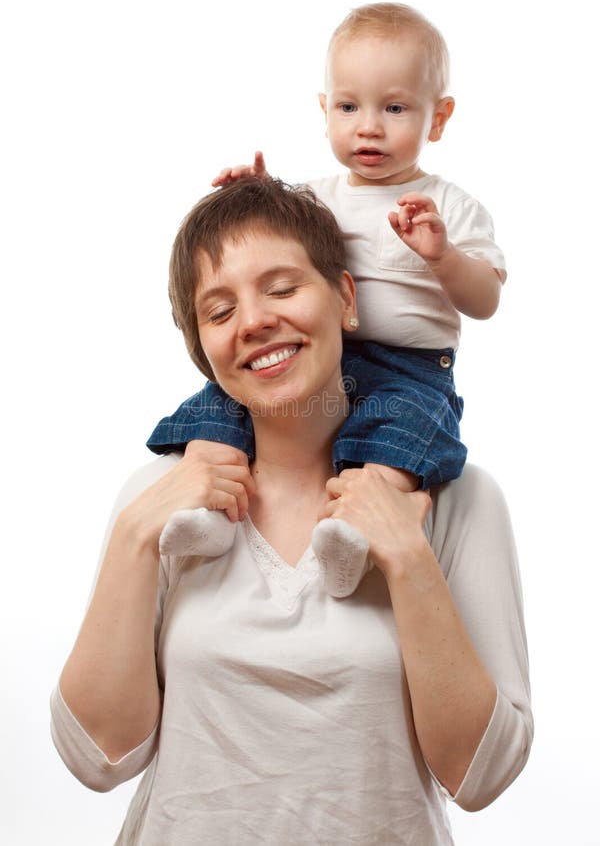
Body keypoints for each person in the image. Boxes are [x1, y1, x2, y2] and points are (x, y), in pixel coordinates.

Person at [51, 178, 532, 844]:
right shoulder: (159, 495)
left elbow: (481, 777)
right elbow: (98, 756)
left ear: (346, 298)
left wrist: (408, 561)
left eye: (281, 289)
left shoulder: (459, 501)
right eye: (219, 312)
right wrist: (136, 533)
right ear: (204, 349)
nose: (252, 322)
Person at [147, 3, 506, 597]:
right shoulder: (318, 196)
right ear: (324, 110)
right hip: (327, 357)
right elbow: (274, 240)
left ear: (437, 118)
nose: (368, 126)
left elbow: (486, 299)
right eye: (348, 107)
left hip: (411, 372)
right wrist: (254, 195)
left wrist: (443, 256)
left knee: (394, 449)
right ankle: (204, 513)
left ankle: (352, 538)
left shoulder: (450, 205)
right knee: (218, 406)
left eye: (394, 108)